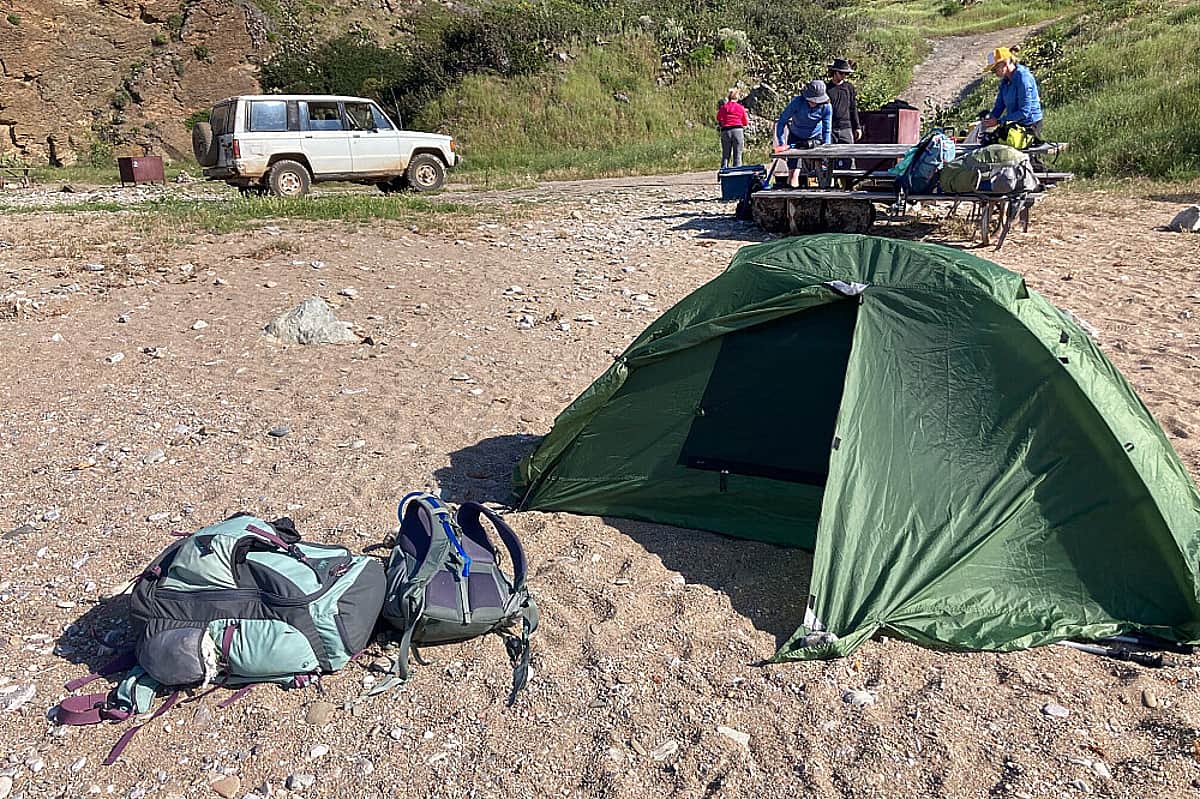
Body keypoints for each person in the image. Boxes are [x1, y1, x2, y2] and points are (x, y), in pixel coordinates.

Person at [774, 79, 832, 187]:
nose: (814, 102)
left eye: (817, 101)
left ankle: (821, 197)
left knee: (821, 170)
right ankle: (793, 198)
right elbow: (782, 121)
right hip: (796, 137)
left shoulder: (826, 107)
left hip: (815, 138)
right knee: (794, 171)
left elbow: (827, 130)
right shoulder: (797, 102)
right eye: (811, 100)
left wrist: (826, 148)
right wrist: (782, 143)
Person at [981, 47, 1043, 137]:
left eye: (995, 69)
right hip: (1014, 123)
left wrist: (998, 121)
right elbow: (999, 106)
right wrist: (989, 118)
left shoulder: (1023, 78)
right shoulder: (1005, 81)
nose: (994, 73)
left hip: (1030, 125)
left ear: (1006, 63)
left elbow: (1024, 112)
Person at [826, 58, 862, 144]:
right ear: (835, 72)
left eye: (846, 73)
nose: (844, 76)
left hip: (846, 128)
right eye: (841, 73)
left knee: (849, 155)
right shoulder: (826, 88)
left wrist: (857, 127)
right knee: (829, 155)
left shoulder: (849, 87)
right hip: (831, 128)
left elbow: (853, 108)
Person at [716, 88, 749, 168]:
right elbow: (745, 122)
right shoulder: (740, 108)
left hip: (725, 131)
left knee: (726, 155)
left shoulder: (723, 107)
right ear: (737, 97)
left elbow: (718, 118)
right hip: (737, 130)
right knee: (737, 155)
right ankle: (736, 175)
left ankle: (724, 174)